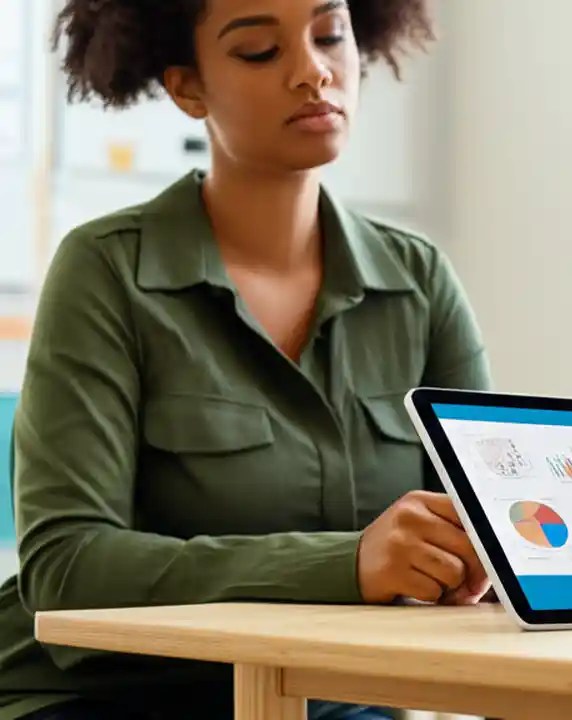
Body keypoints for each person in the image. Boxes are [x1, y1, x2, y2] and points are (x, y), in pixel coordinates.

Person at [0, 1, 493, 718]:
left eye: (330, 36)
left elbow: (489, 535)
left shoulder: (420, 283)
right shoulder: (106, 271)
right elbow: (68, 567)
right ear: (186, 87)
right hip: (99, 699)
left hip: (329, 700)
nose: (313, 72)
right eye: (261, 51)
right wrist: (346, 563)